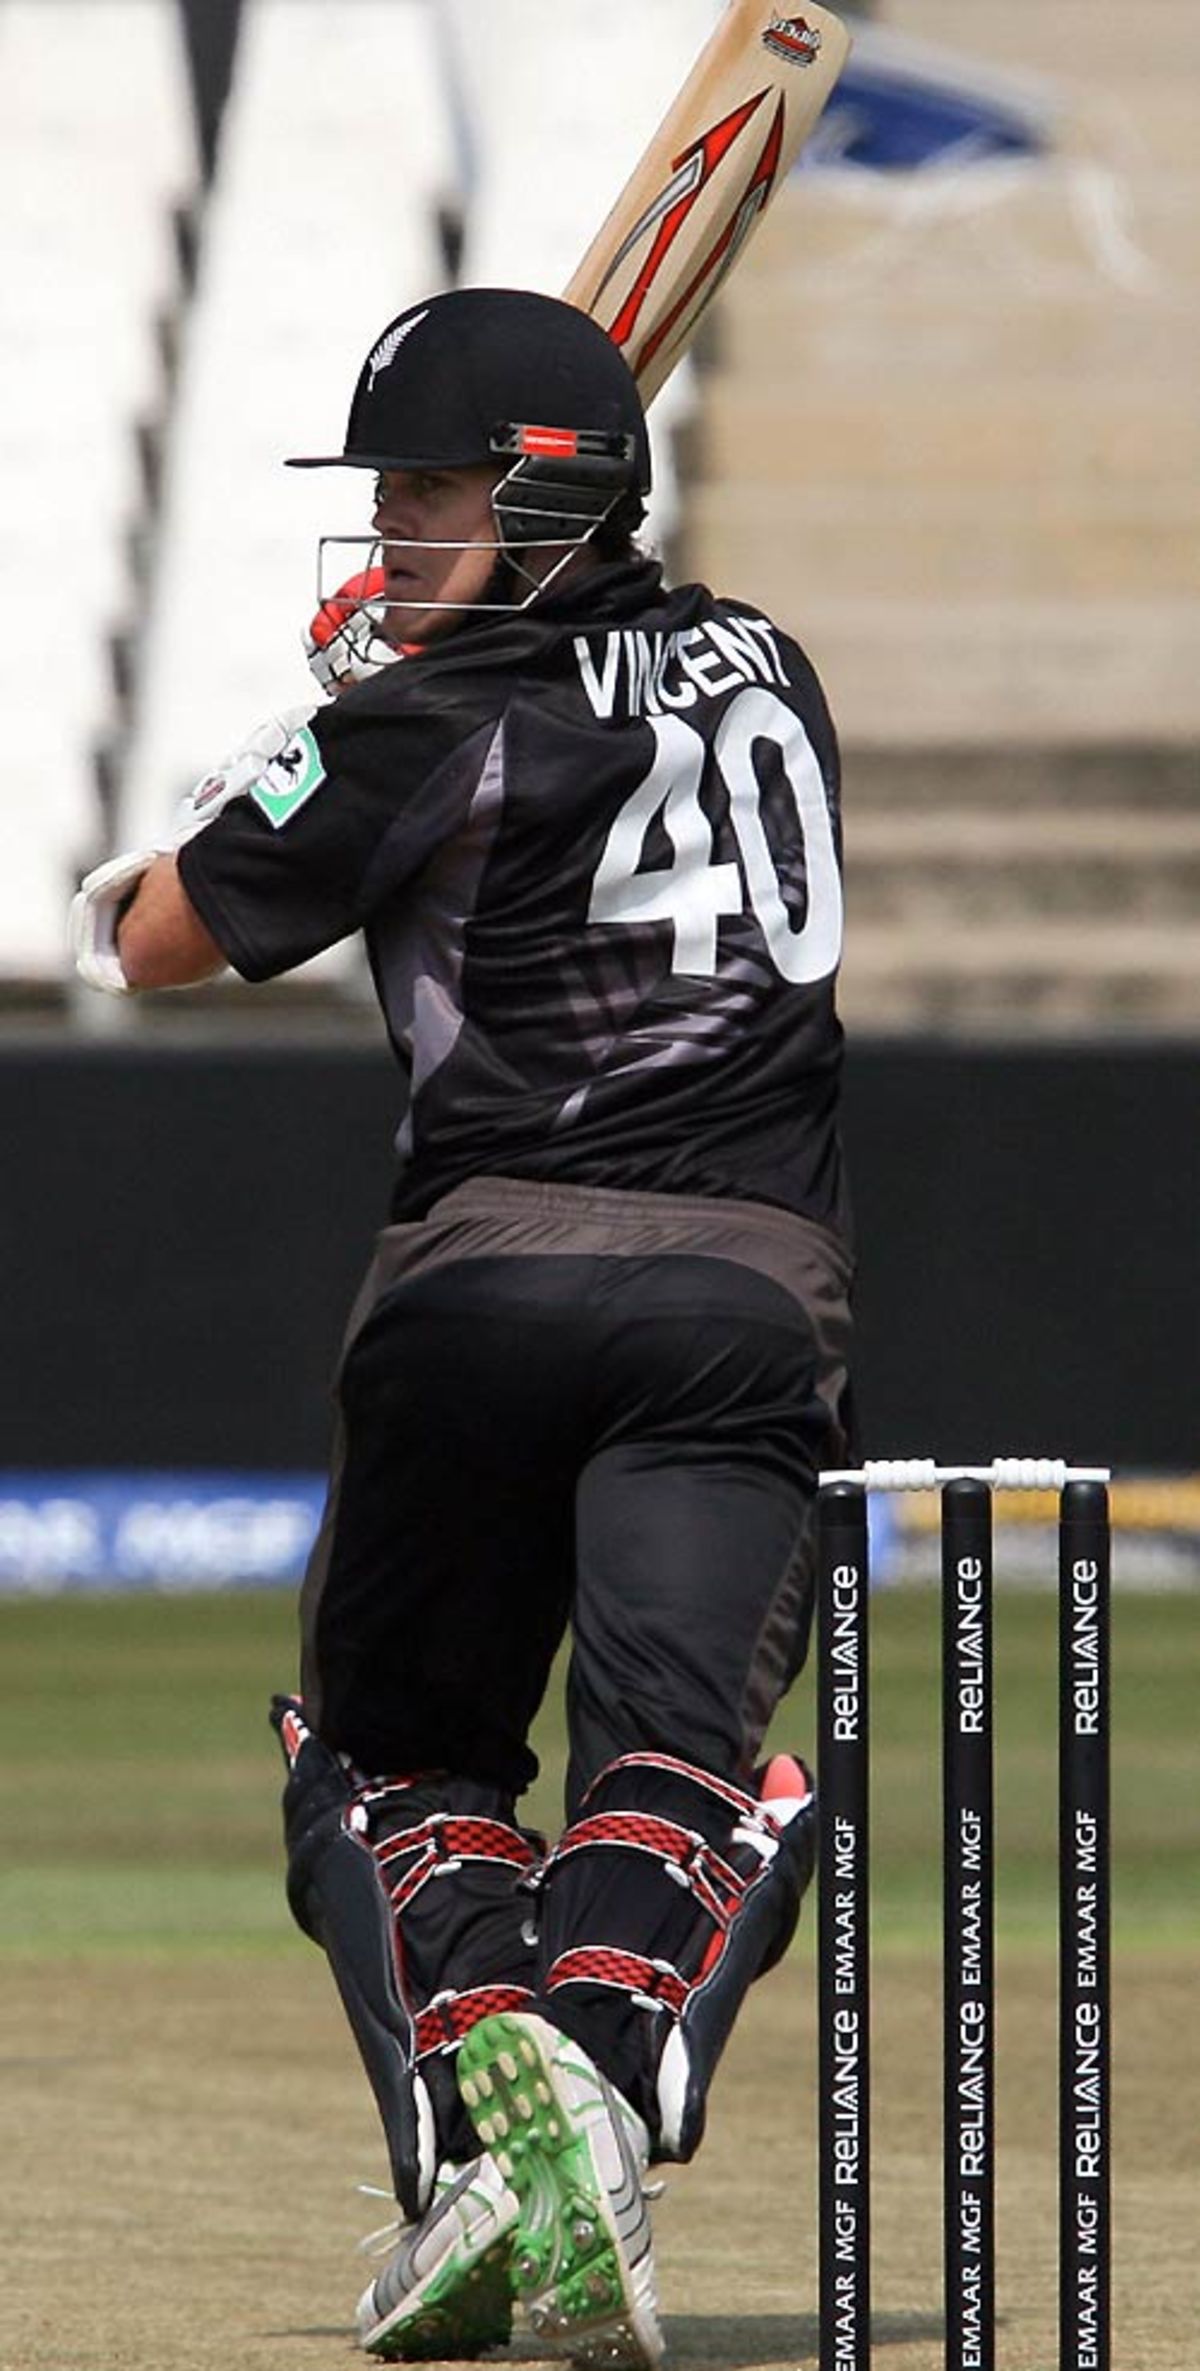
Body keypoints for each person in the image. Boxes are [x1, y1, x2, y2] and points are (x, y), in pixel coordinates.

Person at [71, 287, 854, 2367]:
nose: (396, 529)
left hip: (484, 1285)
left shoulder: (437, 715)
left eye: (426, 490)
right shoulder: (772, 664)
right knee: (674, 1762)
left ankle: (504, 2106)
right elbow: (614, 701)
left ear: (543, 490)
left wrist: (288, 748)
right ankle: (594, 2093)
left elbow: (150, 939)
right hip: (750, 1299)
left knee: (391, 1758)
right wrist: (401, 673)